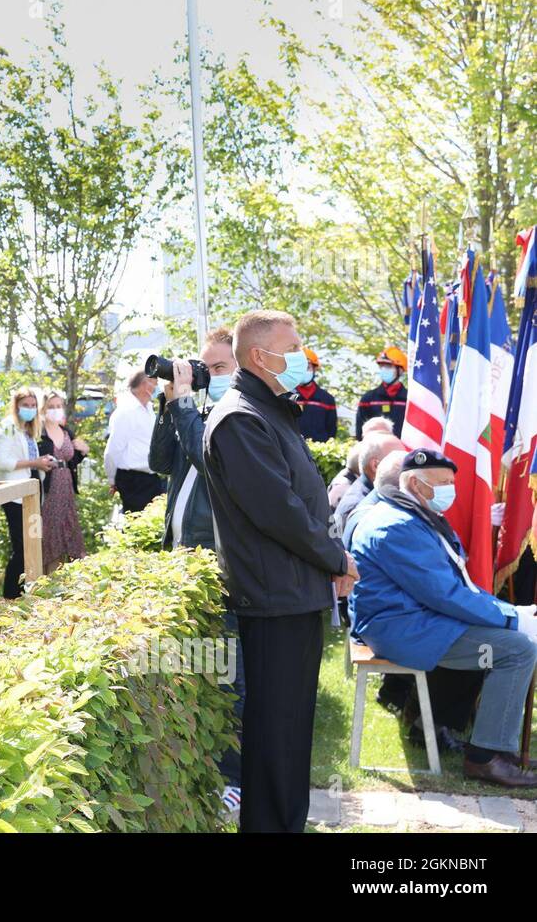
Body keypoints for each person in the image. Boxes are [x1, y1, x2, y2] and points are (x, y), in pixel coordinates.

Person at [203, 310, 360, 832]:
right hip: (273, 599)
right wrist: (335, 558)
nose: (301, 356)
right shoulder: (241, 419)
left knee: (290, 735)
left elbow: (304, 501)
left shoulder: (270, 410)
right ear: (259, 356)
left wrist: (330, 558)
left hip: (293, 592)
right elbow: (281, 511)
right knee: (275, 738)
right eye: (292, 347)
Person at [349, 448, 537, 787]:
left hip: (415, 620)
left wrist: (511, 613)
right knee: (516, 649)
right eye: (444, 483)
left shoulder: (414, 516)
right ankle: (485, 758)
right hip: (401, 629)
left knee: (496, 636)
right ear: (418, 485)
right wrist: (514, 621)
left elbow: (457, 584)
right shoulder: (398, 526)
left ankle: (443, 728)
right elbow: (444, 595)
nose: (452, 489)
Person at [147, 326, 245, 813]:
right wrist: (171, 400)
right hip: (182, 564)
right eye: (202, 366)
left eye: (219, 368)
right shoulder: (196, 413)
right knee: (191, 671)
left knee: (229, 675)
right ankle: (201, 768)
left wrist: (186, 403)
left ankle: (235, 779)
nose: (207, 376)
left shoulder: (233, 422)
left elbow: (212, 467)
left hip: (219, 566)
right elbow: (158, 460)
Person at [0, 386, 55, 600]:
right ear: (16, 406)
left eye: (33, 405)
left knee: (34, 542)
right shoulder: (8, 427)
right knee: (21, 548)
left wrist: (41, 465)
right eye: (25, 405)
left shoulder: (28, 430)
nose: (29, 409)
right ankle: (11, 597)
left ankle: (30, 591)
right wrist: (34, 462)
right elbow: (3, 462)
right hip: (15, 496)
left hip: (33, 493)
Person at [37, 391, 87, 573]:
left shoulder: (66, 431)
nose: (55, 410)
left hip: (66, 487)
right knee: (51, 533)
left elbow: (71, 459)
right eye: (51, 407)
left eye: (58, 406)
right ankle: (48, 577)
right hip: (49, 489)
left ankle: (68, 580)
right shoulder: (39, 432)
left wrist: (83, 451)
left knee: (69, 530)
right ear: (43, 409)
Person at [103, 369, 163, 512]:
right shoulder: (126, 412)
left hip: (151, 477)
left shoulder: (148, 409)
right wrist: (112, 479)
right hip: (133, 480)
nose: (157, 388)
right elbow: (112, 451)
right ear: (145, 384)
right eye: (155, 383)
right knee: (136, 523)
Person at [333, 433, 405, 538]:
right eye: (400, 461)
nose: (408, 469)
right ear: (375, 465)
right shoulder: (361, 505)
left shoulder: (364, 493)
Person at [355, 347, 408, 439]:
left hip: (404, 451)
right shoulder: (368, 399)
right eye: (382, 366)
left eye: (388, 366)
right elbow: (360, 433)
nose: (384, 369)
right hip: (376, 451)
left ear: (400, 370)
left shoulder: (409, 399)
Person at [295, 348, 337, 442]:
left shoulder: (327, 399)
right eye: (299, 367)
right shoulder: (285, 396)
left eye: (307, 367)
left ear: (315, 369)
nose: (303, 371)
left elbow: (331, 431)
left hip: (319, 453)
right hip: (292, 452)